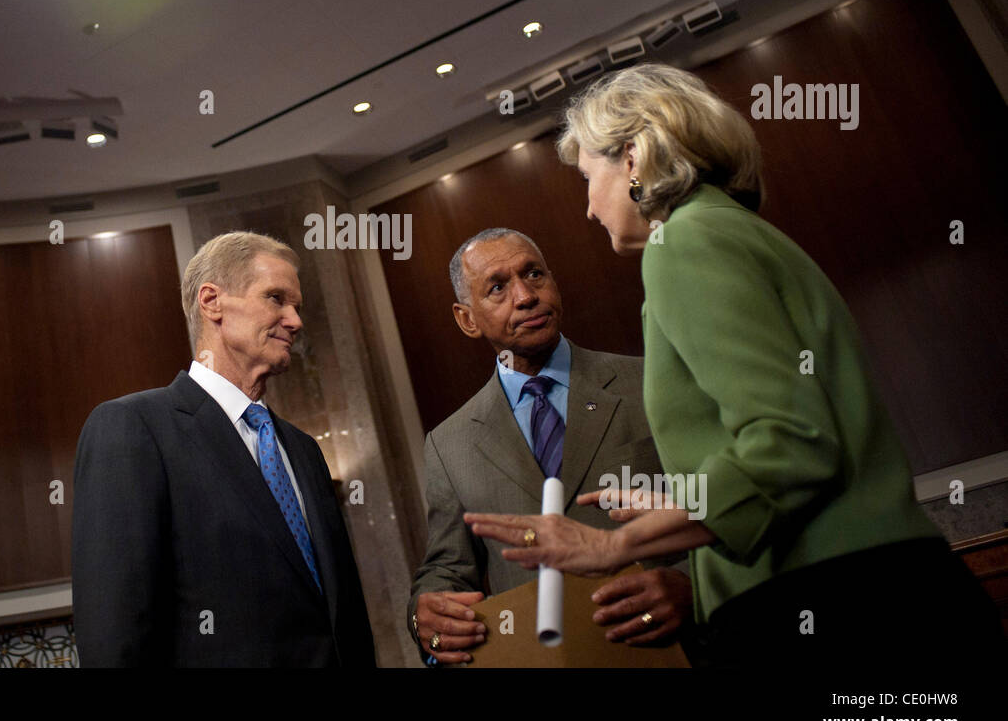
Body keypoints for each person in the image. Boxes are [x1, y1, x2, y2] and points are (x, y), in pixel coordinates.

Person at [466, 62, 1004, 665]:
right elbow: (795, 433)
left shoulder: (685, 243)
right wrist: (686, 503)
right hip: (880, 595)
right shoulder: (731, 230)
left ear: (635, 159)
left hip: (842, 608)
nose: (589, 209)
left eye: (589, 177)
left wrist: (609, 546)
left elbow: (792, 446)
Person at [72, 231, 376, 666]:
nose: (295, 320)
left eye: (297, 306)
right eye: (276, 298)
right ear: (212, 301)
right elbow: (113, 632)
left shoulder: (303, 450)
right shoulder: (133, 428)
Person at [409, 227, 693, 665]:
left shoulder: (651, 382)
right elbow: (448, 568)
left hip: (672, 651)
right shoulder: (448, 445)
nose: (525, 296)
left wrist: (693, 587)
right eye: (497, 287)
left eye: (534, 274)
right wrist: (424, 614)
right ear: (467, 318)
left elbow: (727, 505)